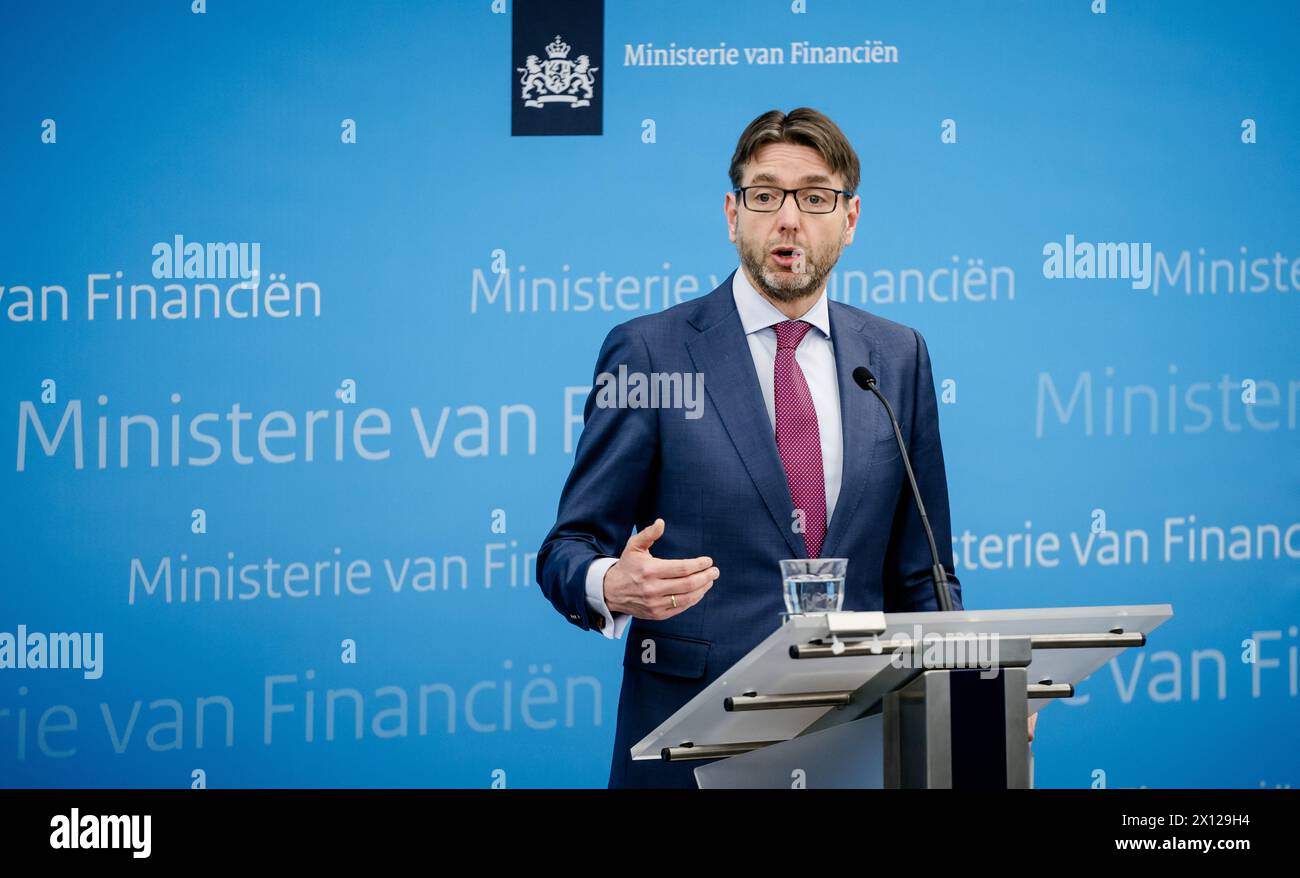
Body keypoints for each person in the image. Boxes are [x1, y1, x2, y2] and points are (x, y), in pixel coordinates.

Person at [536, 107, 975, 789]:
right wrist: (608, 584)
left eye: (815, 198)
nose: (789, 219)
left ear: (850, 220)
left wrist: (973, 692)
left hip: (857, 740)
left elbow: (925, 579)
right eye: (765, 195)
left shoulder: (897, 357)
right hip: (692, 743)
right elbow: (567, 548)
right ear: (732, 214)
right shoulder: (653, 354)